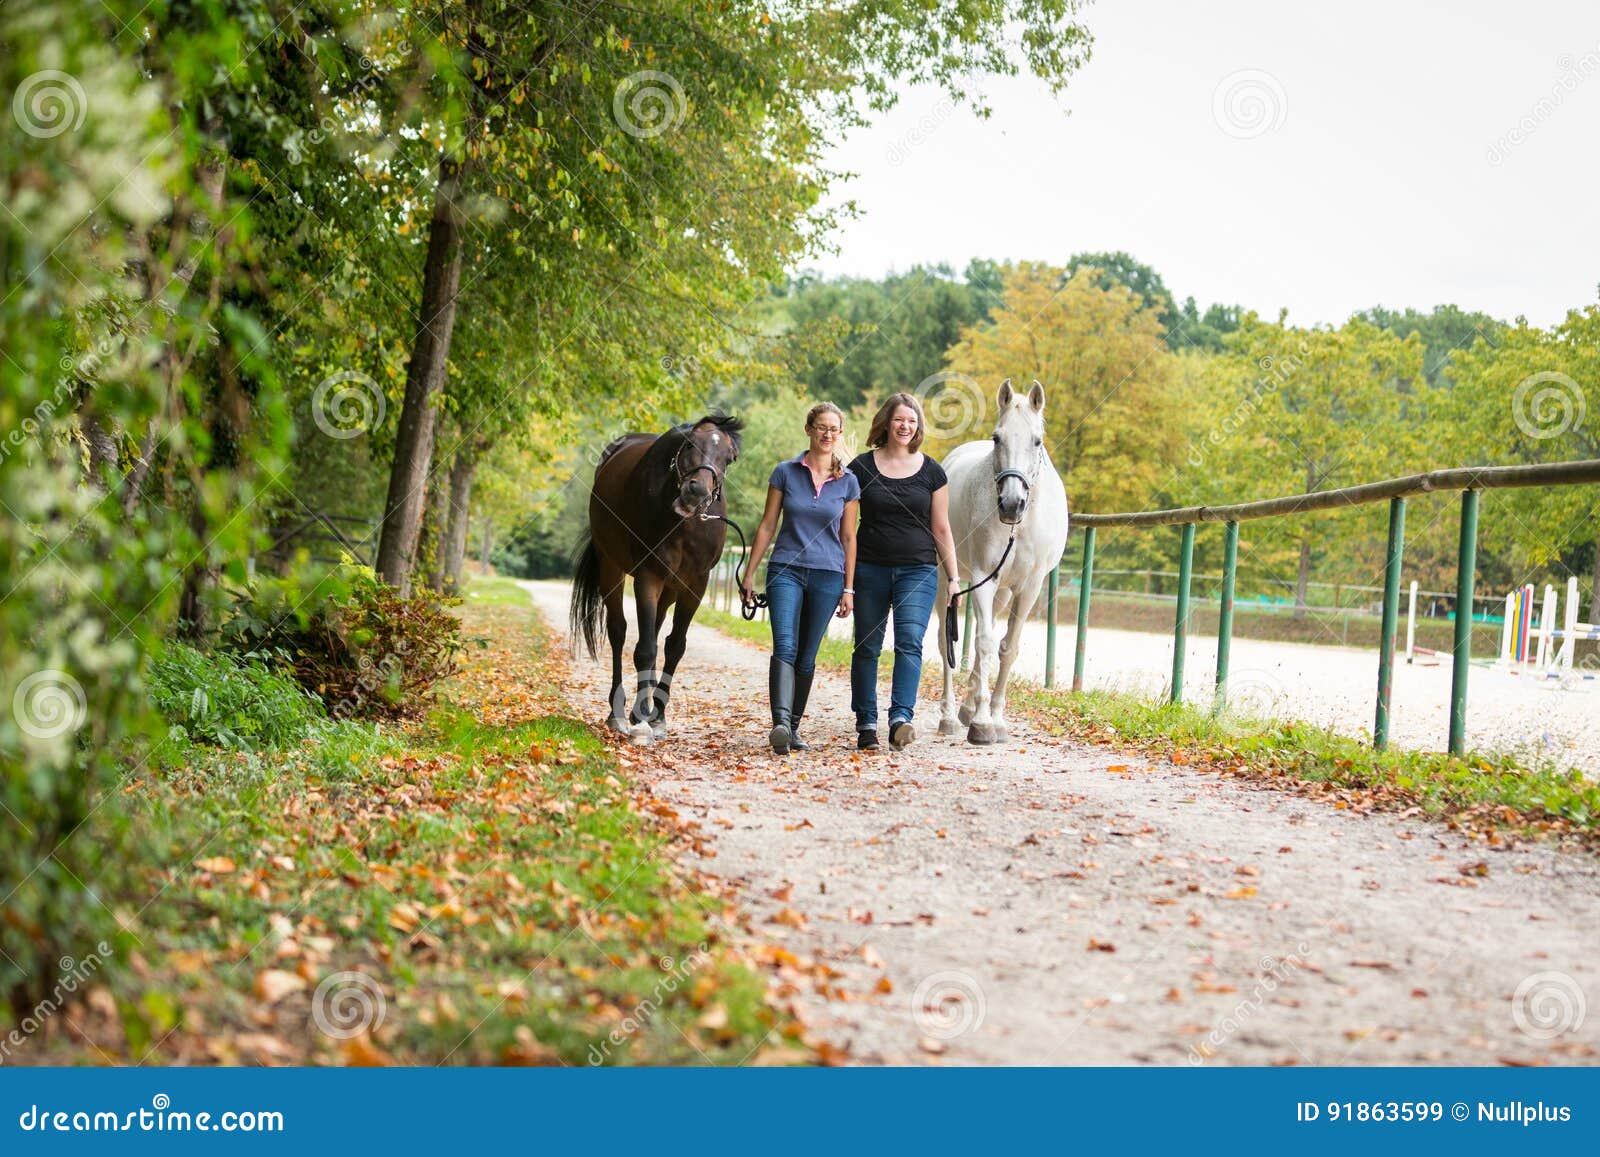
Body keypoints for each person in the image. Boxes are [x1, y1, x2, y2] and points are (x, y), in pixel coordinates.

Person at [742, 402, 859, 754]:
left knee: (807, 655)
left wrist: (849, 587)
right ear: (809, 429)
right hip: (785, 570)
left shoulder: (849, 482)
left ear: (839, 435)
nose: (827, 434)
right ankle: (779, 723)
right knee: (786, 647)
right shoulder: (785, 472)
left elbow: (850, 537)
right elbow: (767, 525)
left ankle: (792, 728)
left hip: (828, 575)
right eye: (821, 427)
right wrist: (749, 573)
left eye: (834, 429)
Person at [847, 392, 961, 751]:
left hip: (919, 570)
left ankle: (901, 719)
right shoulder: (860, 468)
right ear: (886, 422)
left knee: (909, 643)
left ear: (919, 426)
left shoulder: (933, 472)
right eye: (899, 420)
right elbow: (846, 529)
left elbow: (941, 528)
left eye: (911, 421)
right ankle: (866, 723)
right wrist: (845, 581)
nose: (905, 426)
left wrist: (954, 577)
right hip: (869, 568)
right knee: (866, 646)